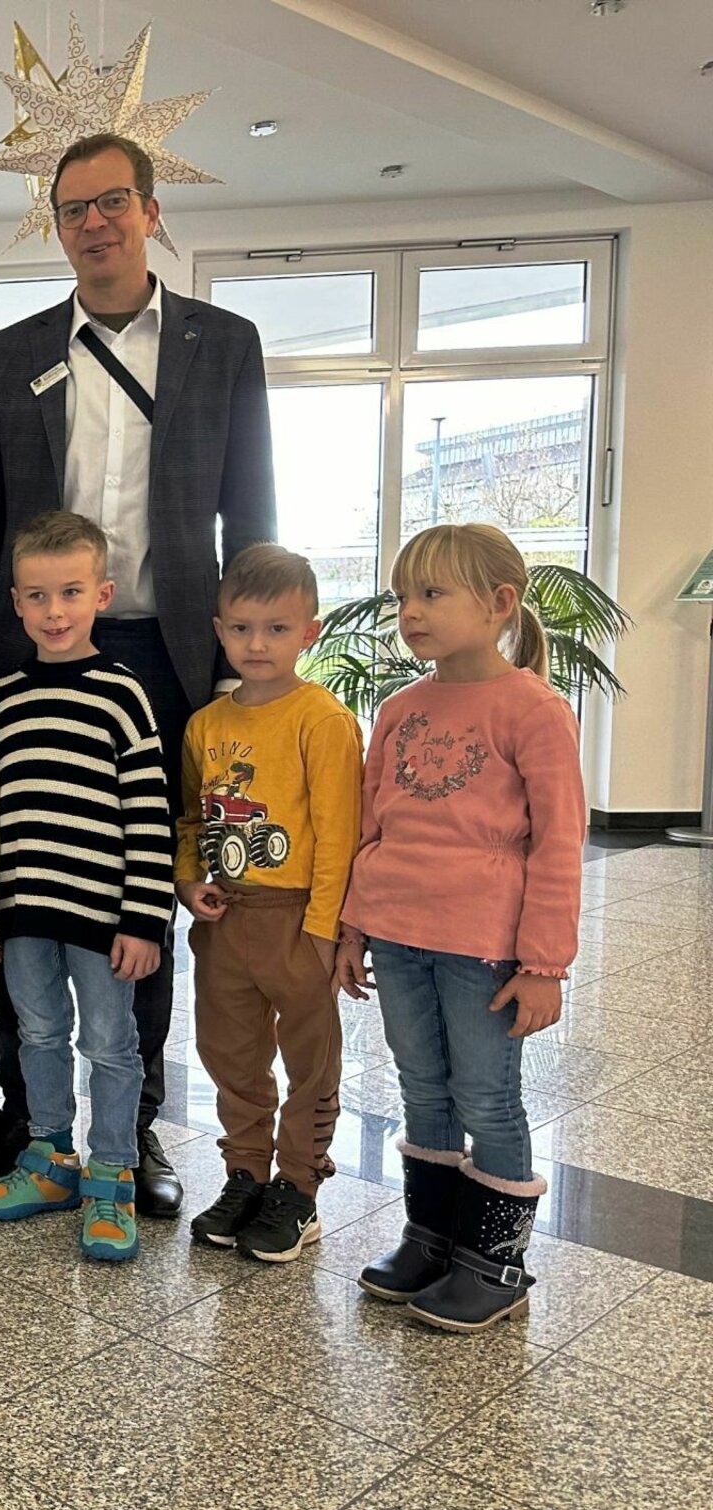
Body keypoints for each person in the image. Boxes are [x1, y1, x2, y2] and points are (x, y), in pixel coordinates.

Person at [0, 131, 277, 1215]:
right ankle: (30, 1119)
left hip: (171, 650)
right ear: (55, 226)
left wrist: (246, 657)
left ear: (147, 211)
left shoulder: (222, 344)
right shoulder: (11, 353)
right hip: (33, 651)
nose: (94, 222)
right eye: (73, 207)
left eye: (112, 202)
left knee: (148, 878)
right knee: (36, 881)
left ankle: (125, 1136)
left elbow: (250, 509)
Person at [338, 524, 583, 1333]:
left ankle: (496, 1262)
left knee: (487, 1096)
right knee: (422, 1090)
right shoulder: (400, 708)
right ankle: (432, 1238)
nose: (410, 611)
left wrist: (544, 964)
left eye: (432, 595)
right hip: (399, 936)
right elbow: (371, 828)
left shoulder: (534, 711)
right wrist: (353, 929)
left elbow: (558, 843)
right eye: (403, 595)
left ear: (500, 604)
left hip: (483, 949)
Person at [0, 515, 173, 1262]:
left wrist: (145, 919)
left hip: (104, 916)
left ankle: (111, 1173)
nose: (55, 612)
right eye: (38, 596)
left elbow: (149, 813)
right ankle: (50, 1160)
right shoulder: (5, 697)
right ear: (17, 604)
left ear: (103, 596)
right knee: (38, 1034)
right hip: (26, 913)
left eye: (72, 593)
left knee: (112, 1046)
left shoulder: (123, 695)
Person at [175, 545, 362, 1263]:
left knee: (310, 1064)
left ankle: (298, 1187)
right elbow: (192, 821)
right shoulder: (206, 725)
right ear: (220, 630)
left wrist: (326, 929)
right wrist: (189, 884)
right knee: (231, 1057)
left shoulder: (322, 719)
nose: (258, 644)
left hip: (298, 920)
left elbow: (340, 831)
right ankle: (245, 1175)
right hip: (227, 921)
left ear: (309, 632)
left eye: (277, 629)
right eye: (243, 628)